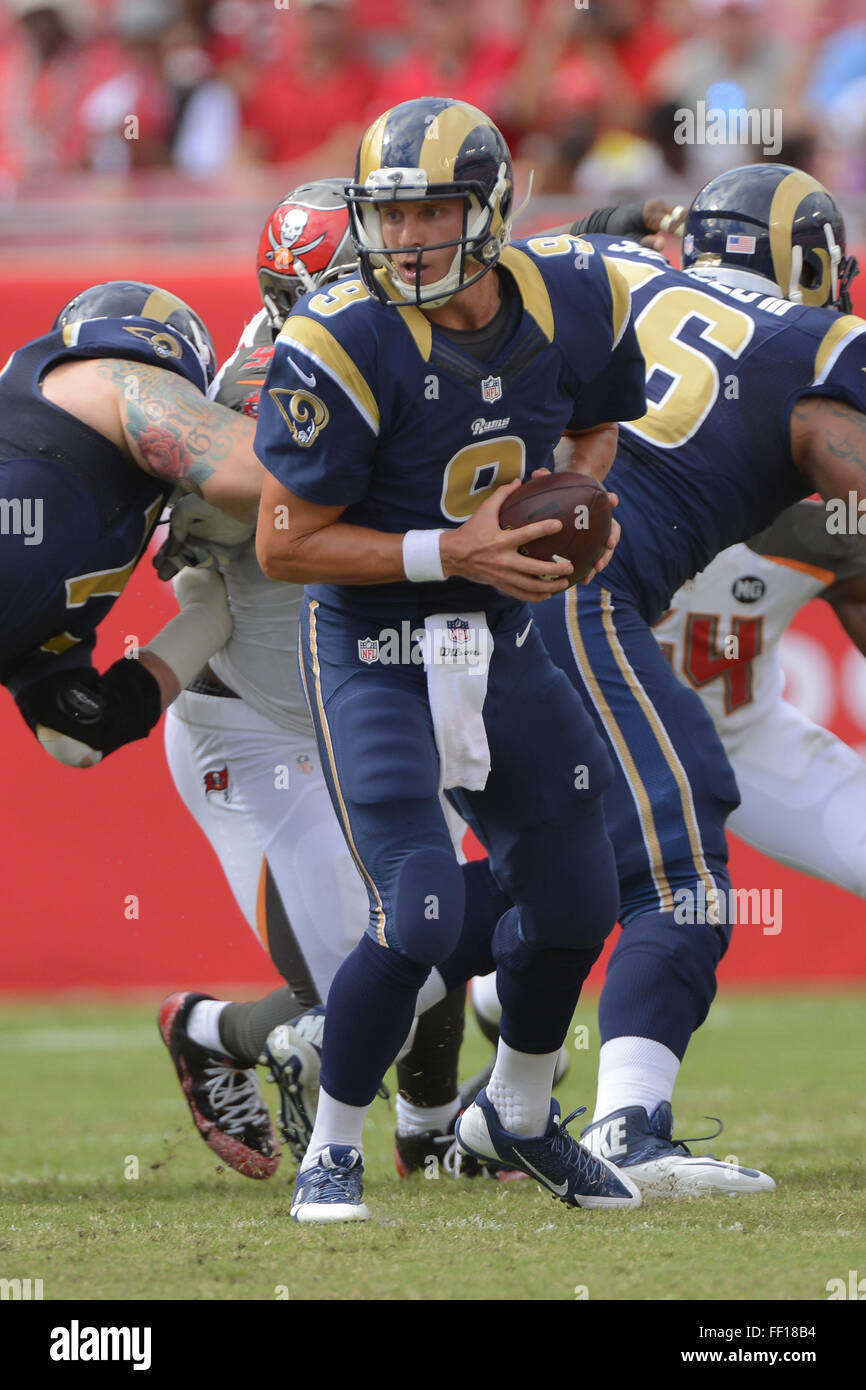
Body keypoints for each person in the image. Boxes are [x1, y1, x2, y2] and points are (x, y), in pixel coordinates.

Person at [254, 96, 649, 1222]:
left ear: (489, 209)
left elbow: (592, 426)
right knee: (419, 912)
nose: (408, 237)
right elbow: (284, 542)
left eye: (432, 210)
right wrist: (449, 545)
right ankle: (332, 1144)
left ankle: (517, 1116)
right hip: (370, 643)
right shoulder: (342, 334)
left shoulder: (571, 293)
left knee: (580, 893)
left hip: (495, 632)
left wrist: (577, 508)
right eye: (390, 214)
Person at [526, 161, 863, 1198]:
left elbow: (544, 266)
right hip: (597, 651)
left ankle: (476, 1096)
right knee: (627, 878)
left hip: (719, 714)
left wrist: (609, 221)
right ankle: (605, 1121)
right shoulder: (814, 369)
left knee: (549, 882)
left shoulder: (612, 278)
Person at [0, 279, 262, 772]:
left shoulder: (113, 499)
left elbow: (79, 729)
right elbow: (255, 473)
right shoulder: (115, 375)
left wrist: (206, 614)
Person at [653, 499, 866, 899]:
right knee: (550, 897)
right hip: (594, 741)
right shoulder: (602, 491)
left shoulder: (812, 531)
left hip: (741, 740)